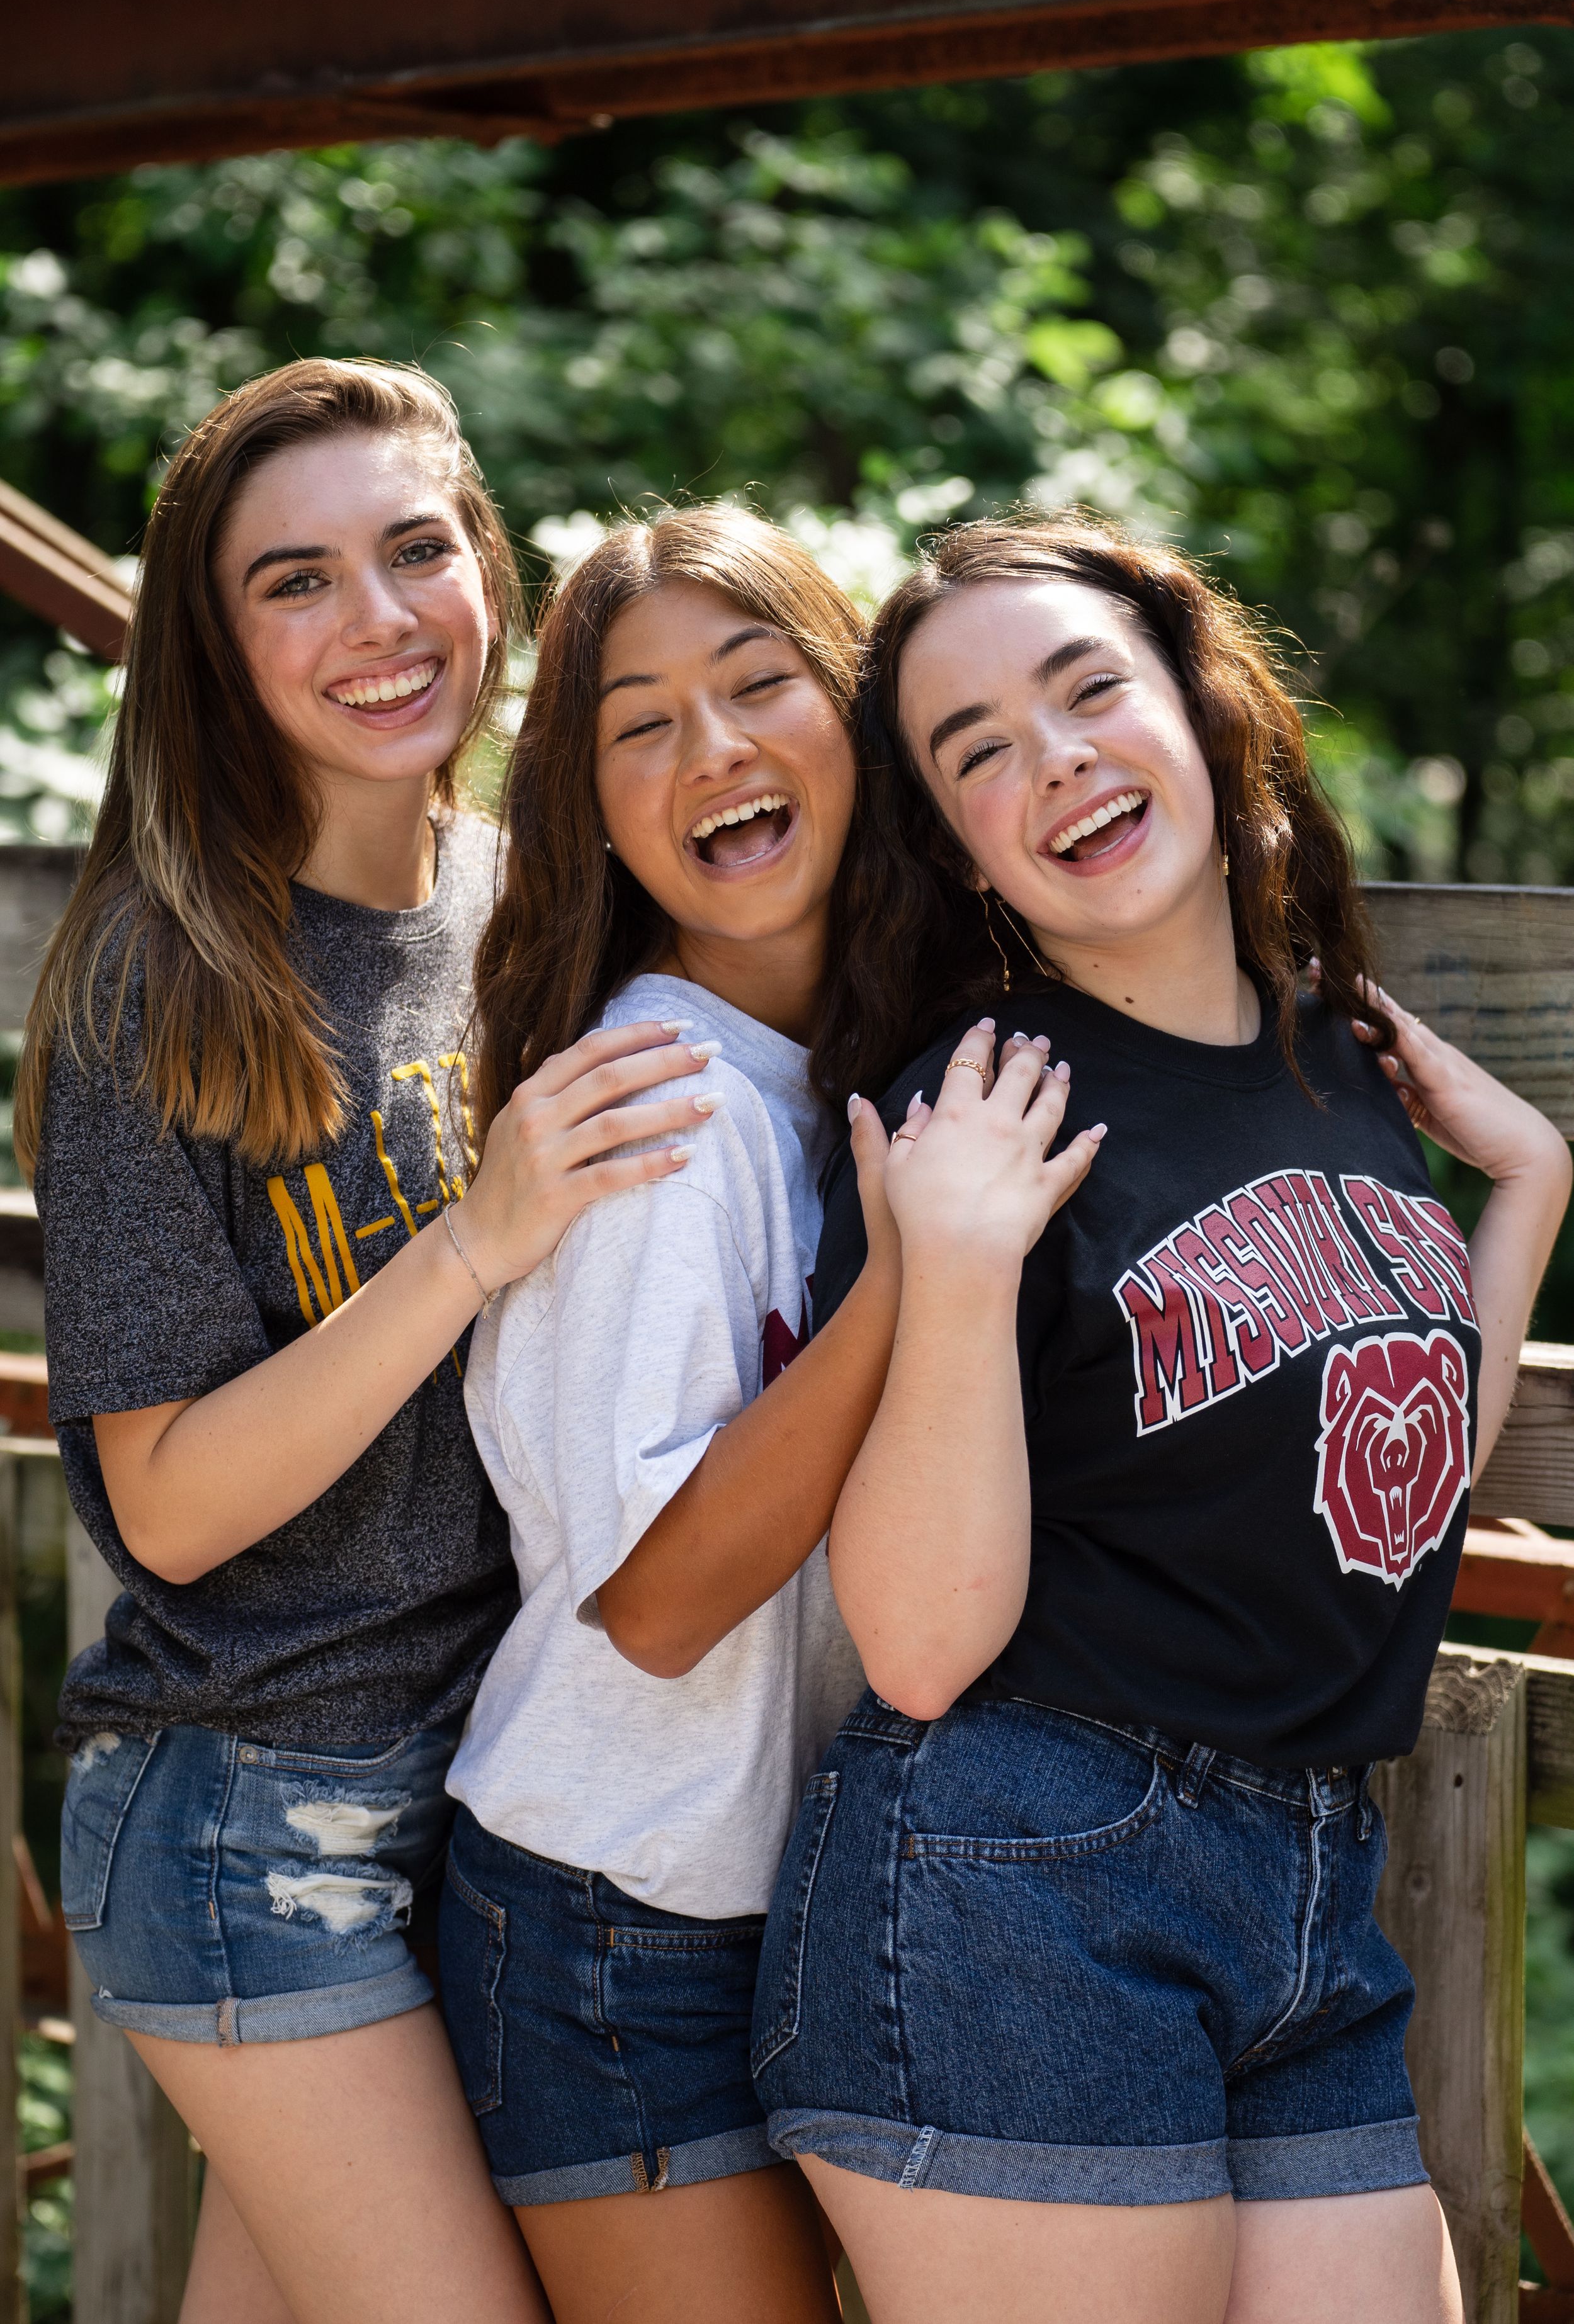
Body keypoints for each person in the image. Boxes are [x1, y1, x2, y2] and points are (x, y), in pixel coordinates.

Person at [753, 515, 1572, 2324]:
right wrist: (953, 1270)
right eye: (975, 752)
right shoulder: (975, 1100)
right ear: (957, 845)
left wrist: (1518, 1179)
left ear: (1205, 721)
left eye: (1086, 691)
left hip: (1301, 1880)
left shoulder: (1327, 1059)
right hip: (1017, 1877)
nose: (1050, 762)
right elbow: (910, 1639)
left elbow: (1396, 1467)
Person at [14, 358, 716, 2324]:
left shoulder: (534, 911)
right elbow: (161, 1509)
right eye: (294, 581)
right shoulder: (159, 979)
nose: (379, 620)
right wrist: (473, 1245)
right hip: (255, 1806)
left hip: (496, 1791)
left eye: (416, 550)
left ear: (490, 571)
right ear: (215, 650)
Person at [440, 504, 944, 2324]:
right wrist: (911, 1281)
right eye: (637, 724)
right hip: (613, 1920)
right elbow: (652, 1609)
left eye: (755, 685)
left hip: (785, 1905)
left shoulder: (839, 1073)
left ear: (854, 721)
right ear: (583, 804)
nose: (711, 750)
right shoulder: (657, 1113)